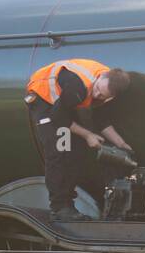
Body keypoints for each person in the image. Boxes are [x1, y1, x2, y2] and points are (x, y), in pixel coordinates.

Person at [24, 59, 132, 222]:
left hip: (63, 104)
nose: (96, 96)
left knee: (76, 150)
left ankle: (68, 204)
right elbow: (58, 118)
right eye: (97, 90)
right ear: (100, 78)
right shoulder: (78, 86)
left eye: (102, 96)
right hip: (44, 100)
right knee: (60, 150)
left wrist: (121, 144)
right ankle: (59, 207)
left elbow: (101, 121)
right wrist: (88, 135)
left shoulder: (106, 88)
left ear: (112, 96)